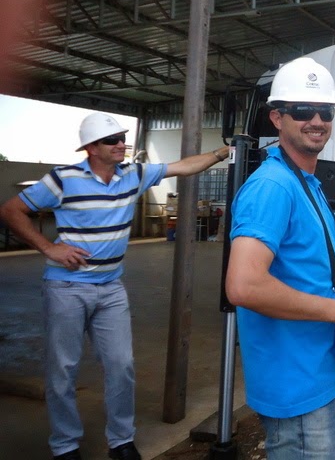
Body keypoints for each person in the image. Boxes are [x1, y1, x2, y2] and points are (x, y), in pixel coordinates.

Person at [0, 112, 230, 460]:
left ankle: (121, 441)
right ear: (91, 148)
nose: (122, 144)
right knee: (63, 368)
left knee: (121, 365)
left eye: (123, 138)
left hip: (111, 289)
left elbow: (183, 166)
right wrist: (49, 247)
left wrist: (219, 153)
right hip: (66, 288)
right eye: (112, 140)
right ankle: (65, 445)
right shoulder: (63, 179)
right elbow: (11, 210)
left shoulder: (133, 175)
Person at [225, 57, 335, 460]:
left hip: (312, 368)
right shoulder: (272, 187)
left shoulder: (303, 181)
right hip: (294, 379)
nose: (316, 120)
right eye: (302, 110)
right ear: (277, 118)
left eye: (325, 111)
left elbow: (297, 266)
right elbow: (243, 285)